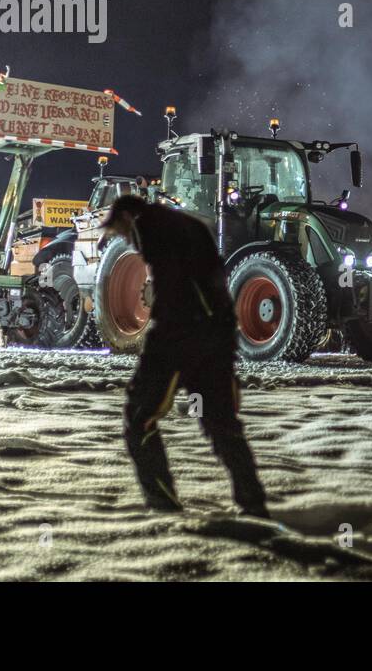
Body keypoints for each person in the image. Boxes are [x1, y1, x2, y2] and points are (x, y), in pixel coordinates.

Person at [100, 194, 269, 518]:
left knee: (139, 418)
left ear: (127, 218)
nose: (125, 241)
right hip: (217, 335)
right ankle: (254, 505)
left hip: (182, 336)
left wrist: (161, 345)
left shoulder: (151, 227)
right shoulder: (188, 224)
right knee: (222, 424)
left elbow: (174, 291)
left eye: (120, 232)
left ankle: (163, 507)